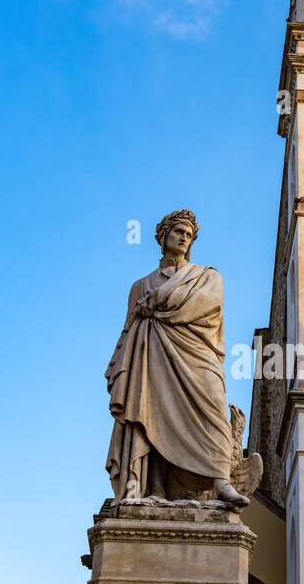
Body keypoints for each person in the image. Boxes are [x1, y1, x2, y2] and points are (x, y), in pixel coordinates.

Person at [105, 209, 247, 507]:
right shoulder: (140, 285)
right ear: (163, 236)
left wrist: (157, 304)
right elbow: (129, 328)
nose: (184, 238)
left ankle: (220, 480)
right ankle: (150, 486)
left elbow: (207, 306)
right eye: (178, 232)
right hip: (152, 354)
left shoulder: (206, 277)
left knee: (214, 407)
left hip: (198, 354)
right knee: (150, 412)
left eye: (188, 235)